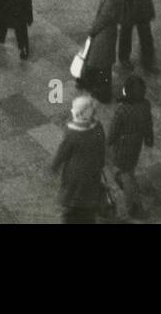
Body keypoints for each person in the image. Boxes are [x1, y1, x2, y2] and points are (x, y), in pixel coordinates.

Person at [50, 94, 107, 225]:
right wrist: (100, 163)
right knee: (89, 196)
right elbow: (101, 148)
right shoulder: (98, 127)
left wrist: (54, 166)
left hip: (75, 172)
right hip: (93, 170)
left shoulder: (72, 133)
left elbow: (62, 152)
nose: (72, 111)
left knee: (72, 195)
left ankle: (71, 217)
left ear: (78, 113)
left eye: (73, 109)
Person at [107, 75, 154, 221]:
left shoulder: (122, 110)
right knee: (129, 168)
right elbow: (148, 123)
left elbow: (114, 130)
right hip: (136, 144)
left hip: (123, 146)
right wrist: (148, 137)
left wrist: (108, 142)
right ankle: (125, 180)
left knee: (126, 173)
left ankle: (132, 205)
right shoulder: (145, 105)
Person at [79, 0, 123, 104]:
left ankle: (103, 93)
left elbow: (101, 21)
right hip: (107, 36)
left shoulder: (109, 2)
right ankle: (94, 85)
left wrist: (90, 31)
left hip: (103, 38)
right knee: (102, 64)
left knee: (101, 65)